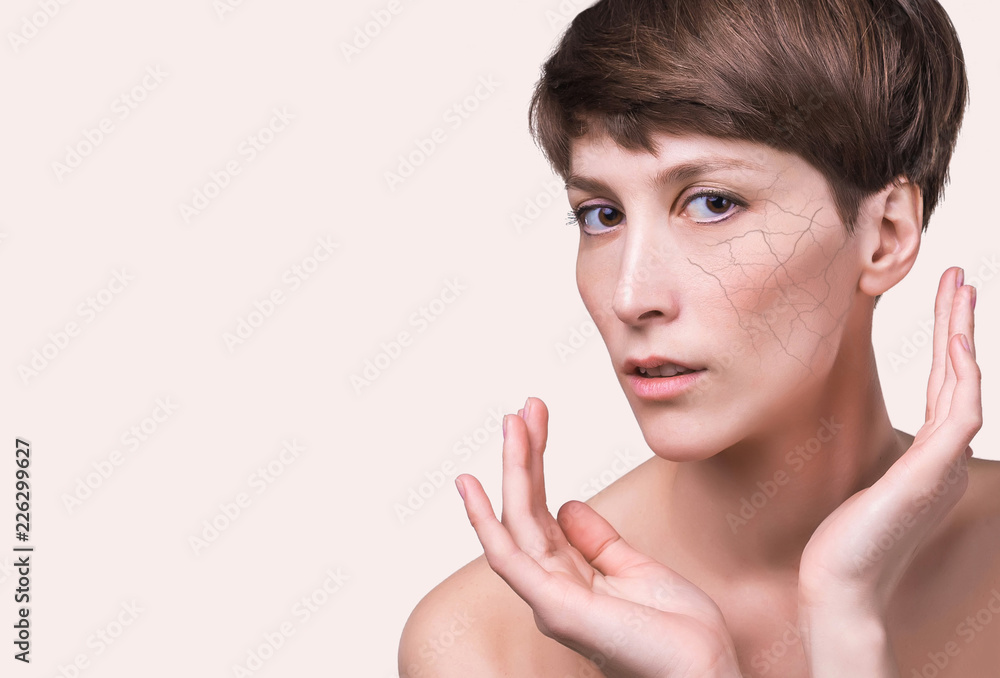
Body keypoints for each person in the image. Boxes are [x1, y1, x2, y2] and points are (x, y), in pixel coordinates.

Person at [399, 0, 998, 675]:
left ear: (886, 234)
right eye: (601, 214)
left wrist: (843, 614)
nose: (631, 296)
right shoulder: (490, 642)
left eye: (713, 203)